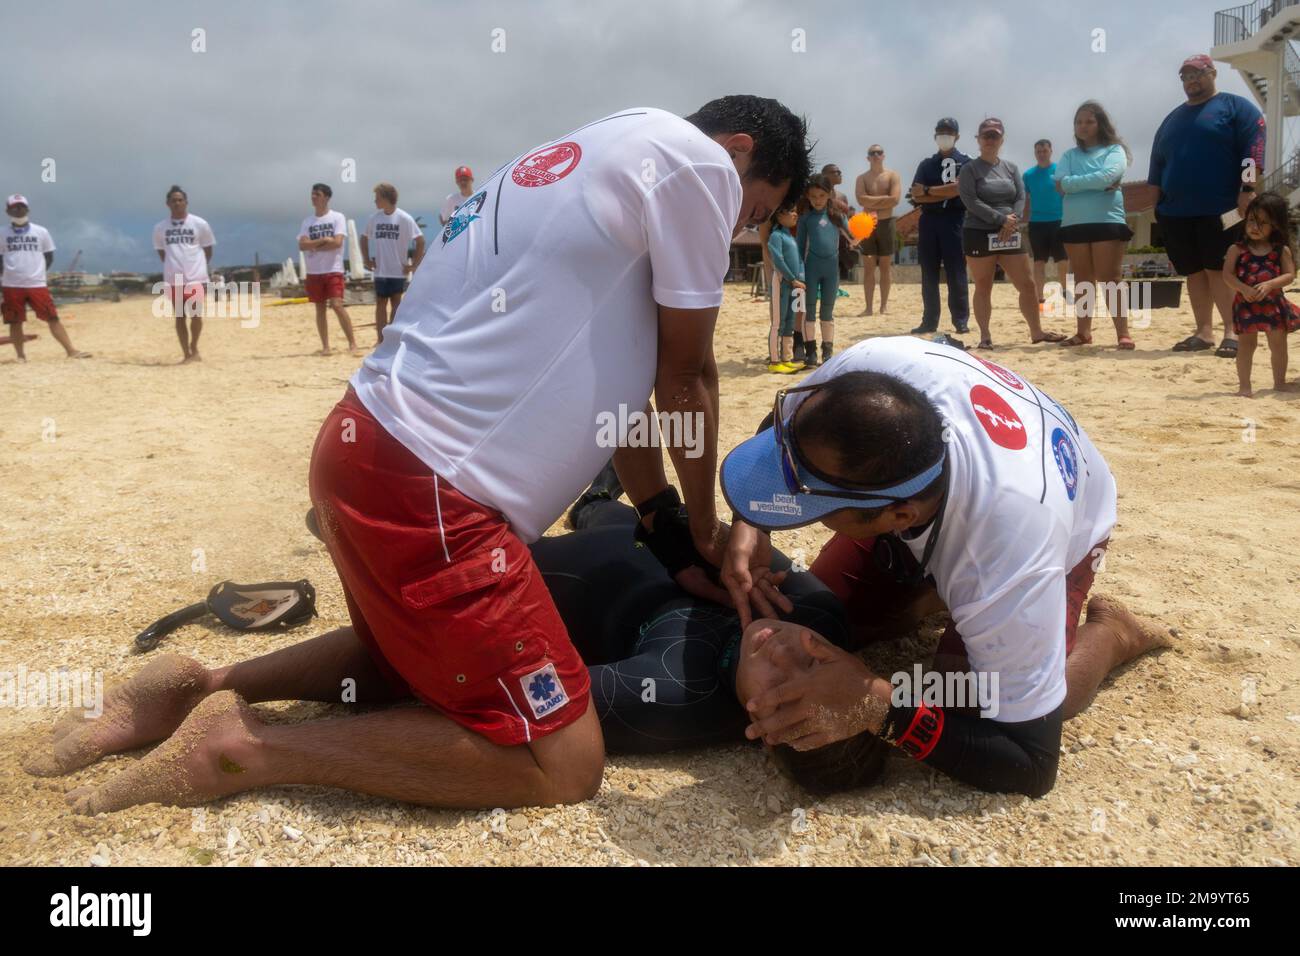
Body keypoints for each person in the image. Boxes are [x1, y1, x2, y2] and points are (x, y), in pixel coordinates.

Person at [32, 98, 810, 814]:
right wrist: (710, 525)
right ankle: (244, 750)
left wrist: (666, 527)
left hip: (360, 446)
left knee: (416, 658)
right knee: (565, 765)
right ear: (737, 150)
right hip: (438, 494)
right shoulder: (697, 165)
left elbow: (628, 399)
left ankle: (199, 685)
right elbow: (687, 375)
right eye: (757, 210)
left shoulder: (589, 154)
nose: (743, 229)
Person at [27, 495, 889, 802]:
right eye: (826, 657)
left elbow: (495, 702)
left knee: (418, 659)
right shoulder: (817, 612)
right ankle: (219, 704)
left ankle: (217, 697)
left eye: (787, 680)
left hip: (513, 574)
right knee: (596, 520)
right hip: (590, 545)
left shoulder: (677, 691)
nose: (795, 646)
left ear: (760, 729)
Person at [720, 336, 1170, 796]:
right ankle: (948, 599)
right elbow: (786, 431)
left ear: (898, 517)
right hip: (953, 509)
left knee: (965, 701)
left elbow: (1031, 763)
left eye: (810, 503)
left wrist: (875, 705)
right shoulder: (868, 373)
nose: (790, 507)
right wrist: (752, 521)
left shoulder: (1009, 549)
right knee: (832, 617)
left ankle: (1112, 635)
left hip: (1060, 521)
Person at [1149, 54, 1266, 357]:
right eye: (1186, 76)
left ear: (1213, 74)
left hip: (1222, 207)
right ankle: (1203, 332)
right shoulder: (1172, 118)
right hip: (1175, 210)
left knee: (1219, 269)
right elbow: (1158, 162)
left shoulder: (1236, 107)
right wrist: (1156, 202)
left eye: (1198, 74)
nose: (1192, 81)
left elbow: (1253, 148)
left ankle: (1232, 331)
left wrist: (1248, 188)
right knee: (1193, 272)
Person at [956, 118, 1065, 349]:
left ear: (1001, 140)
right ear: (978, 139)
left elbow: (1020, 197)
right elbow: (970, 201)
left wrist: (1011, 221)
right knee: (983, 285)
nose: (990, 140)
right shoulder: (969, 169)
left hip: (1010, 232)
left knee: (1027, 284)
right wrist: (1000, 219)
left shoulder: (1011, 168)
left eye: (994, 136)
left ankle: (1037, 332)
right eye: (986, 136)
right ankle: (985, 336)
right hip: (979, 231)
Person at [1055, 102, 1136, 349]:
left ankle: (1123, 332)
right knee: (1082, 279)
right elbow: (1060, 184)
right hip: (1074, 222)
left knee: (1110, 277)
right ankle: (1083, 332)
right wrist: (1097, 182)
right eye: (1079, 122)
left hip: (1107, 219)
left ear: (1100, 123)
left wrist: (1074, 183)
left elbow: (1108, 176)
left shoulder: (1115, 150)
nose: (1083, 126)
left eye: (1089, 121)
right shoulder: (1069, 155)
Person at [1222, 191, 1300, 396]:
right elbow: (1227, 276)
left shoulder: (1280, 250)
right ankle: (1244, 387)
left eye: (1263, 223)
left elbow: (1290, 275)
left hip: (1274, 305)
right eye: (1251, 220)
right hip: (1246, 305)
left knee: (1278, 346)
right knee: (1247, 346)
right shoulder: (1236, 250)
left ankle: (1280, 382)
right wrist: (1243, 289)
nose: (1254, 227)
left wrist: (1270, 284)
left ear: (1275, 225)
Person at [1, 195, 90, 361]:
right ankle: (21, 356)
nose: (18, 210)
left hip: (37, 284)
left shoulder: (41, 232)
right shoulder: (2, 233)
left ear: (27, 209)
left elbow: (49, 256)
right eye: (14, 207)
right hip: (11, 285)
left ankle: (71, 350)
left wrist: (39, 273)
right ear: (8, 211)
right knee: (15, 321)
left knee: (52, 317)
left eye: (21, 206)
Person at [910, 118, 971, 335]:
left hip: (954, 219)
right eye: (940, 132)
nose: (944, 135)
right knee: (929, 273)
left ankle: (961, 320)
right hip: (929, 221)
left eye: (948, 131)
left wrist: (928, 191)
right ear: (935, 135)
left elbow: (959, 189)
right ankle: (929, 321)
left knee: (956, 271)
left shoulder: (966, 162)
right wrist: (937, 192)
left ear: (957, 135)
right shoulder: (926, 164)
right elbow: (916, 196)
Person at [153, 186, 215, 363]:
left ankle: (194, 347)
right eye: (173, 200)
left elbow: (208, 249)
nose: (177, 203)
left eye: (180, 200)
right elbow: (162, 253)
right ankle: (185, 353)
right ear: (167, 204)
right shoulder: (160, 228)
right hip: (174, 278)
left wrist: (198, 266)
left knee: (196, 315)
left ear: (186, 202)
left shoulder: (200, 224)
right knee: (179, 316)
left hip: (196, 277)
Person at [297, 183, 358, 355]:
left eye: (317, 194)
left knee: (337, 305)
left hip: (333, 269)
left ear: (326, 197)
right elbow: (301, 245)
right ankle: (325, 346)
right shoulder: (307, 221)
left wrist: (313, 245)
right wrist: (324, 240)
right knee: (320, 308)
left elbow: (338, 242)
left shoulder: (337, 217)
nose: (313, 197)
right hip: (313, 271)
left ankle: (352, 343)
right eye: (312, 193)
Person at [361, 182, 425, 344]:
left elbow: (420, 240)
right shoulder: (375, 219)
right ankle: (380, 339)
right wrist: (366, 259)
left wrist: (414, 265)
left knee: (396, 302)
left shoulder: (404, 218)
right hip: (381, 270)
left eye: (377, 198)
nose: (375, 201)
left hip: (398, 270)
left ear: (386, 198)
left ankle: (391, 338)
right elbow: (363, 238)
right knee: (380, 303)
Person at [797, 174, 845, 367]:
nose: (817, 200)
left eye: (822, 196)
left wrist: (863, 230)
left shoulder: (837, 217)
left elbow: (853, 236)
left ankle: (827, 351)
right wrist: (799, 274)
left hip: (832, 270)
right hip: (811, 269)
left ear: (829, 195)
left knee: (827, 310)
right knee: (809, 310)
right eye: (813, 196)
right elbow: (799, 248)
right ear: (808, 196)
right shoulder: (805, 219)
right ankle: (811, 351)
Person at [854, 145, 900, 316]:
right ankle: (868, 307)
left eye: (878, 152)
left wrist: (871, 201)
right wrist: (884, 200)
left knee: (885, 267)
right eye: (872, 153)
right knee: (868, 267)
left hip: (886, 223)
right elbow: (860, 199)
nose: (875, 155)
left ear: (883, 155)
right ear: (868, 158)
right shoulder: (862, 178)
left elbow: (895, 199)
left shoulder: (892, 176)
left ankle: (884, 306)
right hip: (868, 224)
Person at [1021, 140, 1067, 307]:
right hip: (1037, 223)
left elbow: (1067, 193)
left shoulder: (1059, 171)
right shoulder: (1028, 175)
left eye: (1044, 151)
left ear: (1050, 151)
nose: (1041, 154)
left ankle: (1064, 290)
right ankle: (1039, 296)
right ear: (1035, 153)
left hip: (1059, 220)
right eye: (1038, 151)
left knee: (1062, 259)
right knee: (1039, 261)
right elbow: (1022, 198)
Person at [766, 203, 805, 373]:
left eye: (796, 211)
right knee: (778, 322)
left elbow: (799, 260)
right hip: (781, 282)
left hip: (794, 283)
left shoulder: (790, 236)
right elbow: (778, 260)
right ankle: (774, 362)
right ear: (779, 216)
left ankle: (786, 358)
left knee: (789, 320)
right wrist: (791, 278)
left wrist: (800, 279)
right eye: (791, 211)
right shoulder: (776, 235)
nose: (795, 214)